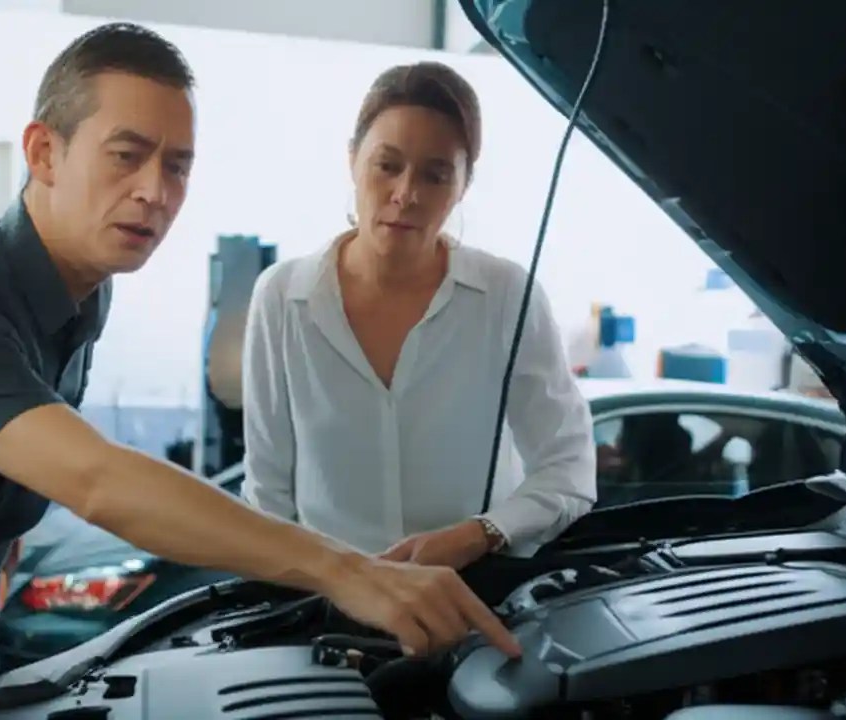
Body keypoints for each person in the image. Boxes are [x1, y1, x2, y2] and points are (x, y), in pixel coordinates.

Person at [0, 24, 519, 719]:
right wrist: (347, 571)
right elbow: (97, 481)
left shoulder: (82, 288)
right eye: (127, 156)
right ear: (43, 153)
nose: (156, 192)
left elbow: (12, 466)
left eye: (178, 166)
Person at [241, 61, 597, 571]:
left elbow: (569, 469)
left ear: (464, 185)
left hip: (476, 601)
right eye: (387, 165)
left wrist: (481, 534)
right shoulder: (281, 298)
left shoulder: (506, 296)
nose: (406, 194)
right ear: (352, 160)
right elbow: (267, 493)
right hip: (324, 613)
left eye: (435, 174)